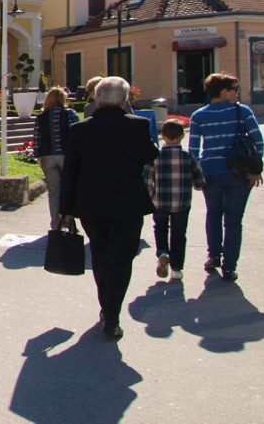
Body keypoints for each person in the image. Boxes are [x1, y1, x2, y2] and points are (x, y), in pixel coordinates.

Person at [60, 76, 158, 340]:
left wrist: (65, 208)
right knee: (123, 259)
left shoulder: (80, 129)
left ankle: (107, 307)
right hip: (127, 204)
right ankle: (112, 316)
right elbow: (151, 156)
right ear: (125, 100)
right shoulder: (138, 126)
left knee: (101, 256)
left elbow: (70, 171)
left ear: (96, 98)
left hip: (91, 204)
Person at [188, 72, 264, 282]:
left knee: (213, 214)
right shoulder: (242, 111)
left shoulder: (198, 116)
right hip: (238, 174)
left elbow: (193, 150)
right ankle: (229, 267)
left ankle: (213, 257)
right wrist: (255, 170)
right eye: (235, 89)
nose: (237, 93)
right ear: (223, 92)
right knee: (233, 221)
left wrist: (195, 176)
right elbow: (258, 141)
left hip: (210, 173)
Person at [147, 118, 205, 281]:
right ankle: (177, 269)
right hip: (182, 202)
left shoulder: (155, 157)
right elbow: (199, 182)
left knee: (160, 228)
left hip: (160, 202)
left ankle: (163, 252)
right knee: (179, 234)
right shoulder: (189, 157)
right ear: (182, 136)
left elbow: (146, 180)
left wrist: (149, 195)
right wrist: (198, 185)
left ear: (163, 136)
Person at [34, 86, 79, 230]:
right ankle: (69, 220)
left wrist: (39, 157)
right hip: (66, 155)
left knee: (54, 192)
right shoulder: (70, 113)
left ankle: (55, 224)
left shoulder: (41, 117)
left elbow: (37, 138)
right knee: (70, 189)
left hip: (47, 156)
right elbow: (76, 134)